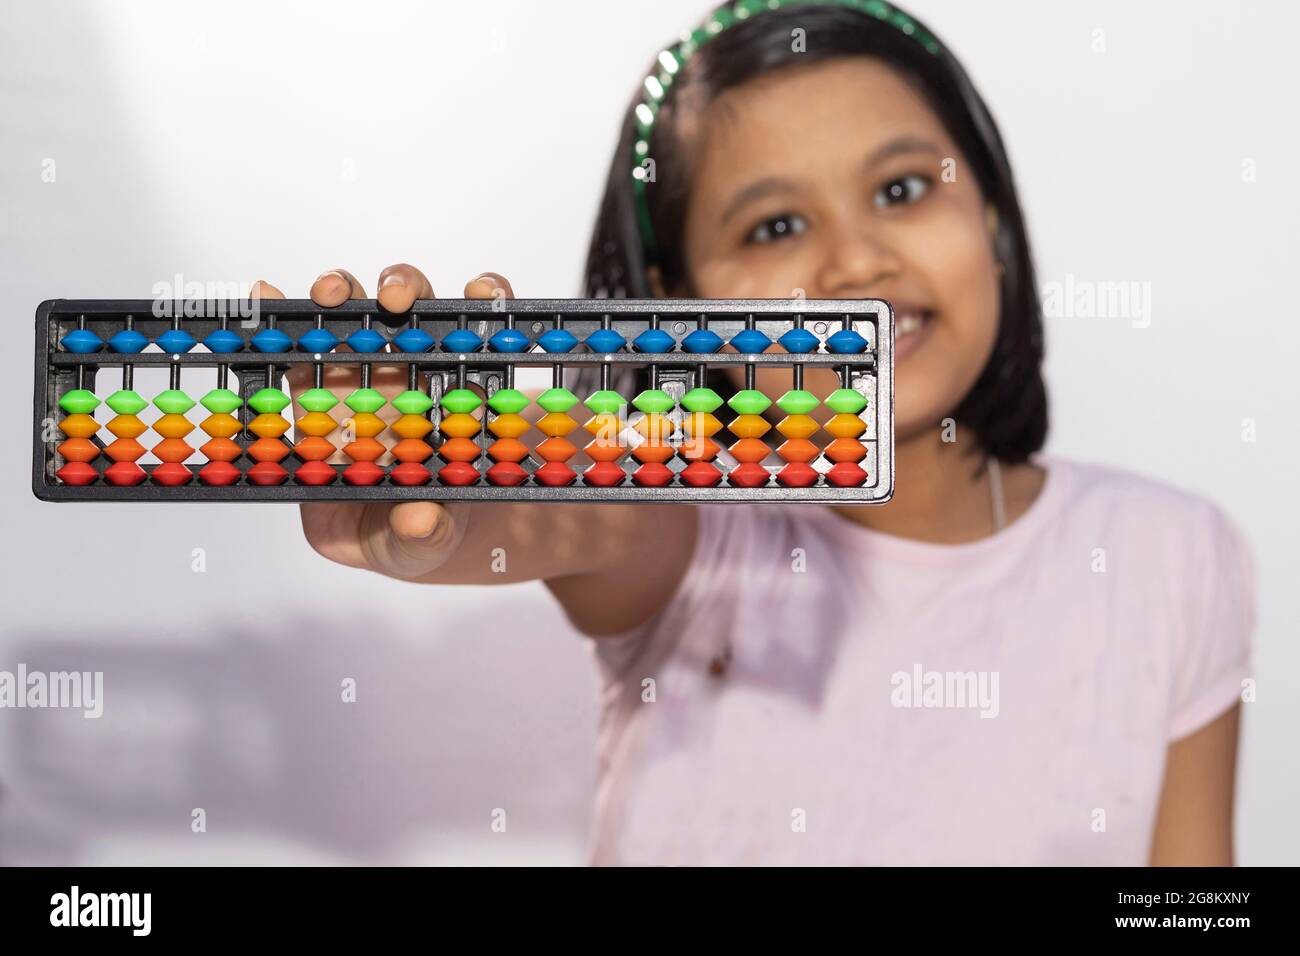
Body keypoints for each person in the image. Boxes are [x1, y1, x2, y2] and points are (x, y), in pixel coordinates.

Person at [250, 0, 1254, 865]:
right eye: (774, 226)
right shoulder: (687, 532)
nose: (856, 260)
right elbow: (579, 517)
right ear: (674, 303)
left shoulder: (1172, 553)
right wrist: (454, 505)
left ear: (991, 217)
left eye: (903, 189)